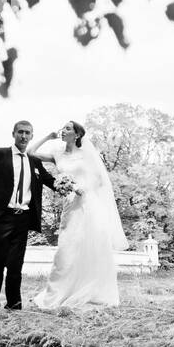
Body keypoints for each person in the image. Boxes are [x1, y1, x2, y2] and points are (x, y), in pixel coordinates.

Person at [30, 120, 129, 308]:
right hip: (70, 206)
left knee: (90, 246)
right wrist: (47, 137)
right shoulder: (57, 153)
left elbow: (100, 181)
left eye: (67, 128)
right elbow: (30, 153)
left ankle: (92, 290)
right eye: (62, 128)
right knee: (66, 249)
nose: (62, 130)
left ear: (77, 134)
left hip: (88, 204)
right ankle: (59, 293)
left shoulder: (87, 154)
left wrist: (80, 187)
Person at [0, 120, 57, 310]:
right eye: (20, 132)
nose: (24, 136)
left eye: (28, 133)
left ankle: (14, 305)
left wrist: (71, 186)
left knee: (15, 266)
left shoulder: (34, 161)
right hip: (0, 217)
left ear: (32, 136)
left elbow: (50, 181)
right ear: (13, 134)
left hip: (23, 219)